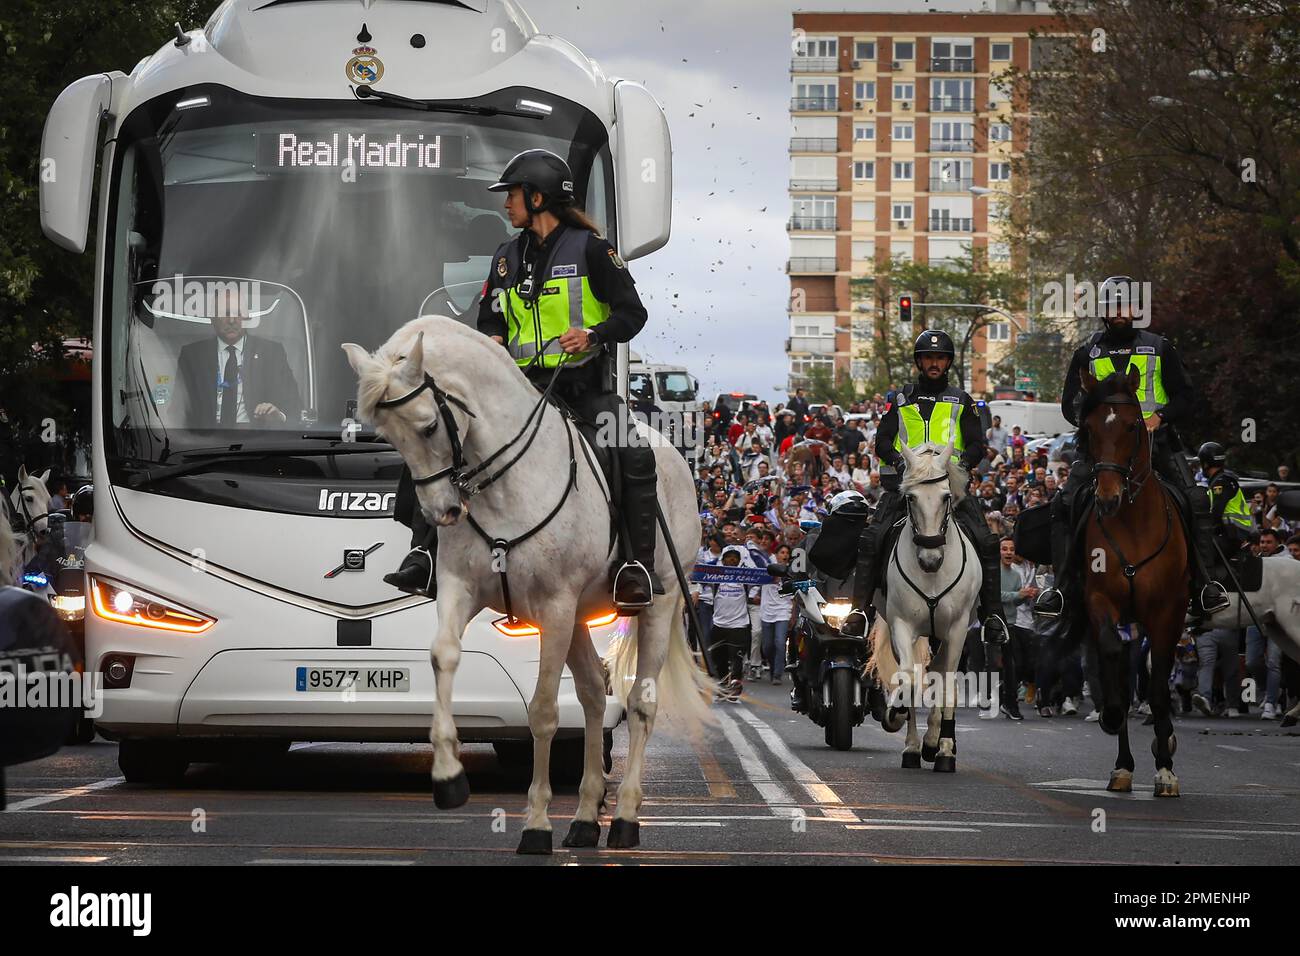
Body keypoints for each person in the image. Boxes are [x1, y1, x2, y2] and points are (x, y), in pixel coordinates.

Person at [385, 149, 661, 611]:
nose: (504, 204)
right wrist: (491, 339)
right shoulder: (505, 258)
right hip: (518, 392)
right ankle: (423, 553)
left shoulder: (594, 250)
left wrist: (593, 334)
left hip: (582, 388)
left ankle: (635, 568)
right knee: (433, 436)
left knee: (633, 453)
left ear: (538, 197)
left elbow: (634, 314)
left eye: (511, 195)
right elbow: (490, 317)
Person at [1033, 276, 1230, 621]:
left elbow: (1186, 397)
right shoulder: (1087, 353)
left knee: (1196, 500)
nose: (1120, 312)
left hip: (1157, 444)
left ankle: (1204, 584)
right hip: (1103, 451)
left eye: (1126, 306)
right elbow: (1070, 404)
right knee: (1065, 502)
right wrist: (1096, 421)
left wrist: (1160, 417)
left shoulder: (1160, 347)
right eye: (1114, 306)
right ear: (1104, 311)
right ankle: (1060, 587)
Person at [842, 330, 1010, 645]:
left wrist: (960, 466)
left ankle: (993, 615)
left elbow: (976, 445)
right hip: (905, 488)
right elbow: (882, 442)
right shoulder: (900, 399)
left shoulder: (963, 400)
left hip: (951, 490)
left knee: (987, 541)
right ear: (920, 361)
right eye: (929, 358)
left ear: (947, 362)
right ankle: (859, 611)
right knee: (871, 539)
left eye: (940, 358)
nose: (934, 363)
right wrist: (900, 461)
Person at [176, 285, 302, 427]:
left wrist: (278, 416)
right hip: (204, 440)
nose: (232, 320)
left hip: (257, 439)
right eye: (225, 313)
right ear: (213, 318)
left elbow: (294, 407)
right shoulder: (193, 355)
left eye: (237, 313)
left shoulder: (271, 352)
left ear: (245, 316)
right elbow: (178, 410)